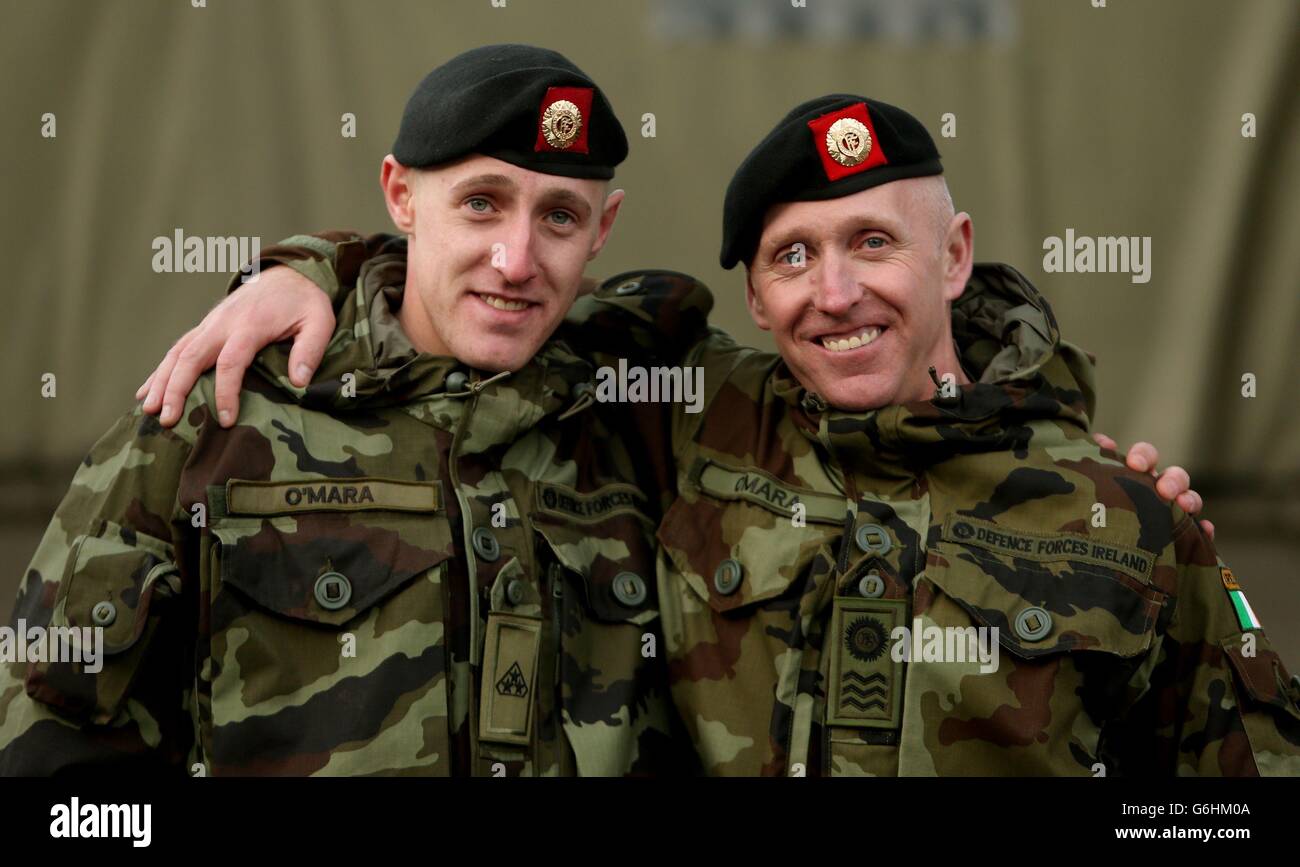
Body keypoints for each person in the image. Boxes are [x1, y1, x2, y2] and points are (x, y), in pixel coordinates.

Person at [130, 85, 1275, 774]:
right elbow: (472, 303)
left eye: (873, 241)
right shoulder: (689, 415)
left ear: (955, 254)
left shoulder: (1117, 514)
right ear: (757, 305)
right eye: (792, 258)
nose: (835, 294)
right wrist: (300, 271)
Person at [0, 44, 701, 777]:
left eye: (559, 216)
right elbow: (52, 751)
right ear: (400, 194)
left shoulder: (642, 409)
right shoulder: (221, 412)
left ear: (603, 228)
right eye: (480, 204)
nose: (516, 260)